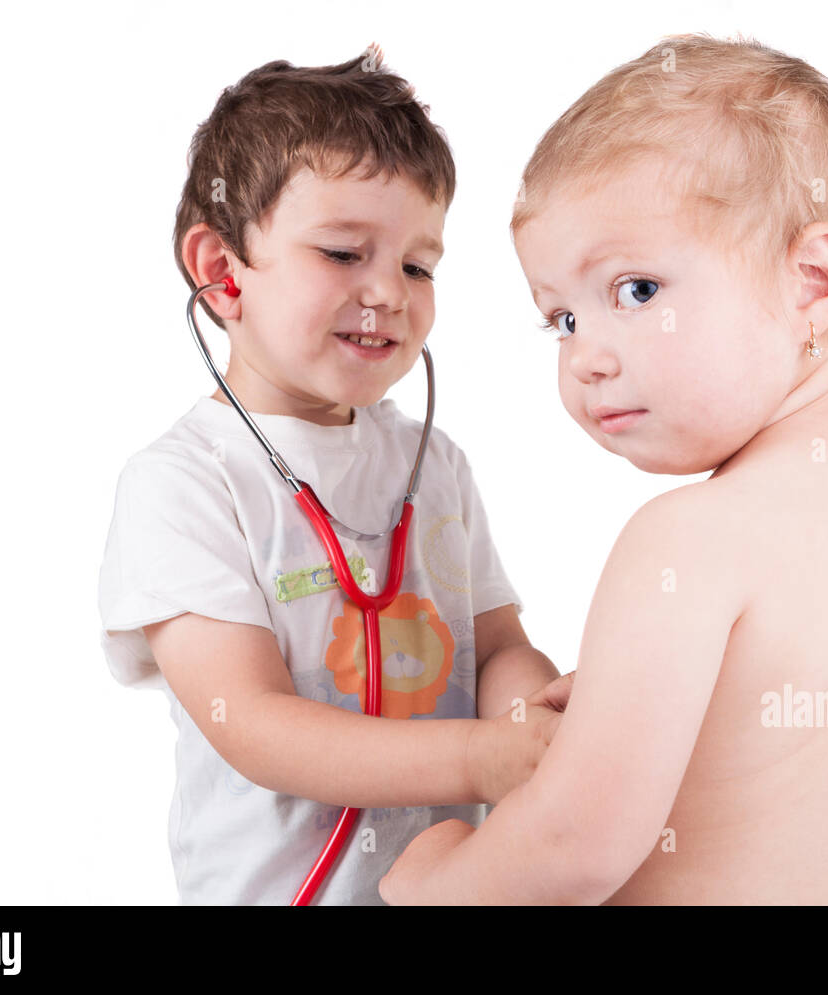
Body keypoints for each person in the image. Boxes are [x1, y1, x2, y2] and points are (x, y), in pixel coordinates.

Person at [379, 32, 828, 905]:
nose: (585, 357)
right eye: (562, 320)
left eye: (635, 290)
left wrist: (434, 882)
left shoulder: (685, 539)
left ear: (812, 282)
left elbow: (577, 845)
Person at [96, 47, 568, 905]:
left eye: (419, 266)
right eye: (345, 252)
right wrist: (477, 756)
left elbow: (496, 646)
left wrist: (534, 719)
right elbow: (256, 725)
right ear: (221, 273)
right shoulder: (184, 485)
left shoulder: (438, 465)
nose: (389, 290)